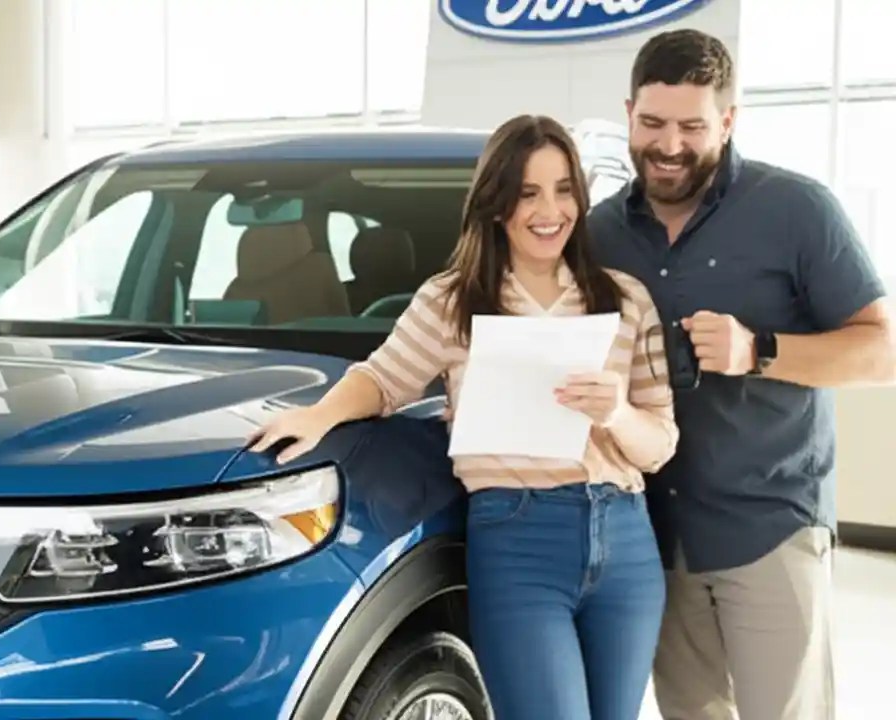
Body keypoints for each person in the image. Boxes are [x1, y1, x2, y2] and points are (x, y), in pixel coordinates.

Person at [249, 114, 679, 720]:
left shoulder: (625, 299)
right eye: (527, 192)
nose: (548, 209)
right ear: (497, 203)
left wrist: (614, 411)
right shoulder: (453, 302)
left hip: (626, 543)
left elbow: (659, 443)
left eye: (562, 189)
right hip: (520, 541)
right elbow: (383, 378)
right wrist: (319, 416)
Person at [587, 29, 896, 720]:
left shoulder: (797, 210)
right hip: (653, 533)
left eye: (693, 127)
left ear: (728, 121)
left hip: (769, 527)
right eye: (653, 123)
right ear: (628, 111)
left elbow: (881, 352)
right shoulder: (598, 233)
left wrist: (758, 349)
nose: (669, 145)